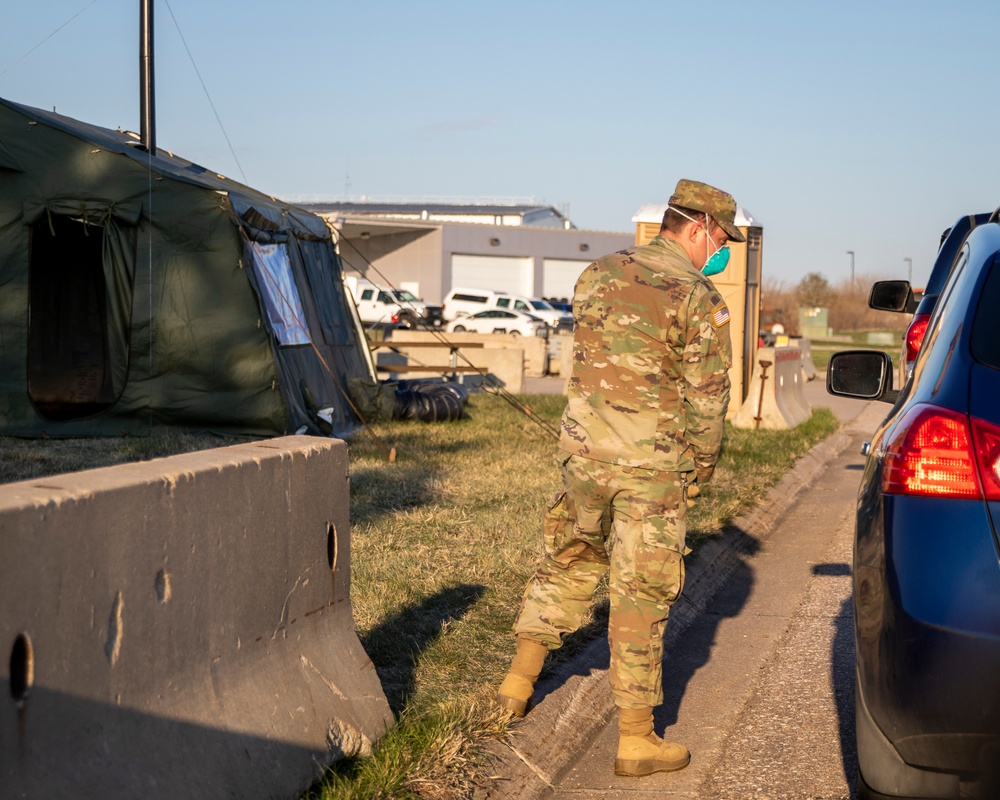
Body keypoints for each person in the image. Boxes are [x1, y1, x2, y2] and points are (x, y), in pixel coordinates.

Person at [497, 178, 742, 777]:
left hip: (584, 456)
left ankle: (514, 688)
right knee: (639, 594)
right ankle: (636, 741)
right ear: (698, 227)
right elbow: (709, 397)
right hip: (651, 469)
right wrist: (701, 468)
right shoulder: (699, 297)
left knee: (568, 562)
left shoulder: (597, 273)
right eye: (721, 239)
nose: (722, 251)